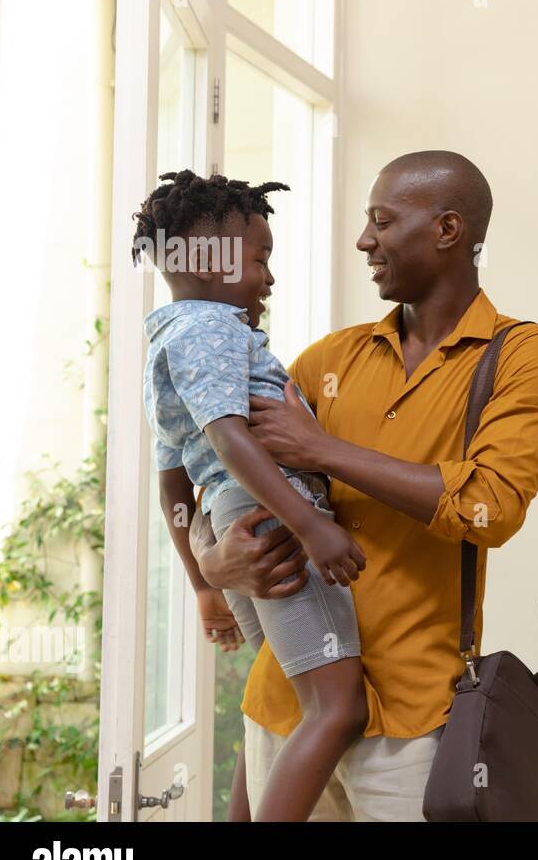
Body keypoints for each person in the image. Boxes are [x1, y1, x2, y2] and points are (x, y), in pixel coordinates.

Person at [189, 150, 538, 821]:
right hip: (288, 703)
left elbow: (491, 508)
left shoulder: (520, 354)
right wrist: (214, 564)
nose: (365, 240)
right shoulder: (327, 360)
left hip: (415, 726)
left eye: (382, 221)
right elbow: (217, 475)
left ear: (448, 230)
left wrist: (322, 450)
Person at [136, 171, 369, 822]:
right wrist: (311, 525)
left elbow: (172, 478)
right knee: (337, 706)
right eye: (260, 258)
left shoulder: (169, 341)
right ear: (208, 263)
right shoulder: (211, 331)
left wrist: (204, 586)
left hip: (231, 516)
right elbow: (232, 440)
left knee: (281, 700)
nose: (269, 277)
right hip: (270, 515)